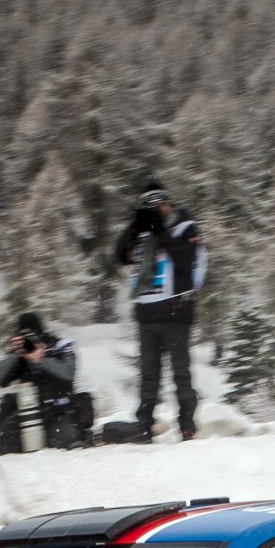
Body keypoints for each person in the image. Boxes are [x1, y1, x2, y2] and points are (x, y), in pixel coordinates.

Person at [113, 182, 207, 442]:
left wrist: (161, 231)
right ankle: (144, 425)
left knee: (181, 372)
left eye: (160, 203)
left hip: (176, 309)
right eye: (150, 206)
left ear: (168, 202)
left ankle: (187, 426)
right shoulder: (140, 232)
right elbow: (119, 256)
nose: (157, 209)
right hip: (146, 312)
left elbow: (186, 262)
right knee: (149, 375)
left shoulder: (185, 226)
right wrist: (135, 224)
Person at [0, 312, 84, 450]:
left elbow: (68, 373)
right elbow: (1, 380)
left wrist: (41, 359)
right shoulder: (19, 352)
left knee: (65, 442)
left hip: (59, 410)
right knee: (2, 445)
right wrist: (16, 355)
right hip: (28, 412)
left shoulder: (60, 345)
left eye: (33, 335)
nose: (30, 341)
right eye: (25, 336)